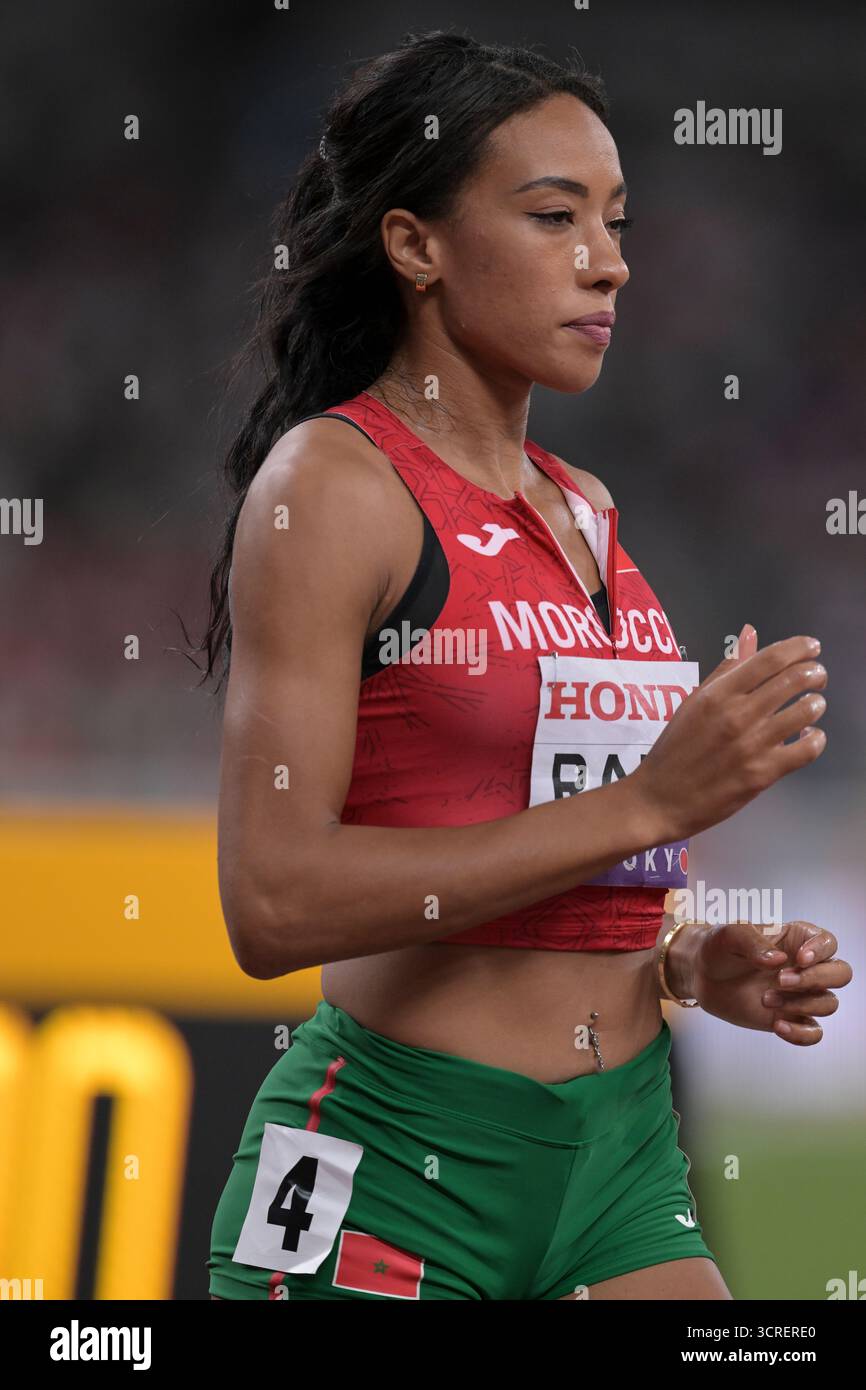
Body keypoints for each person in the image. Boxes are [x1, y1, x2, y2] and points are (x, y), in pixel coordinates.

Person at [202, 31, 849, 1301]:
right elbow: (269, 903)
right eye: (553, 217)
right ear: (415, 246)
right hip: (394, 1161)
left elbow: (556, 842)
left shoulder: (583, 507)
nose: (607, 262)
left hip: (618, 1164)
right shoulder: (337, 487)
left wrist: (683, 958)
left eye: (612, 220)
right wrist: (650, 803)